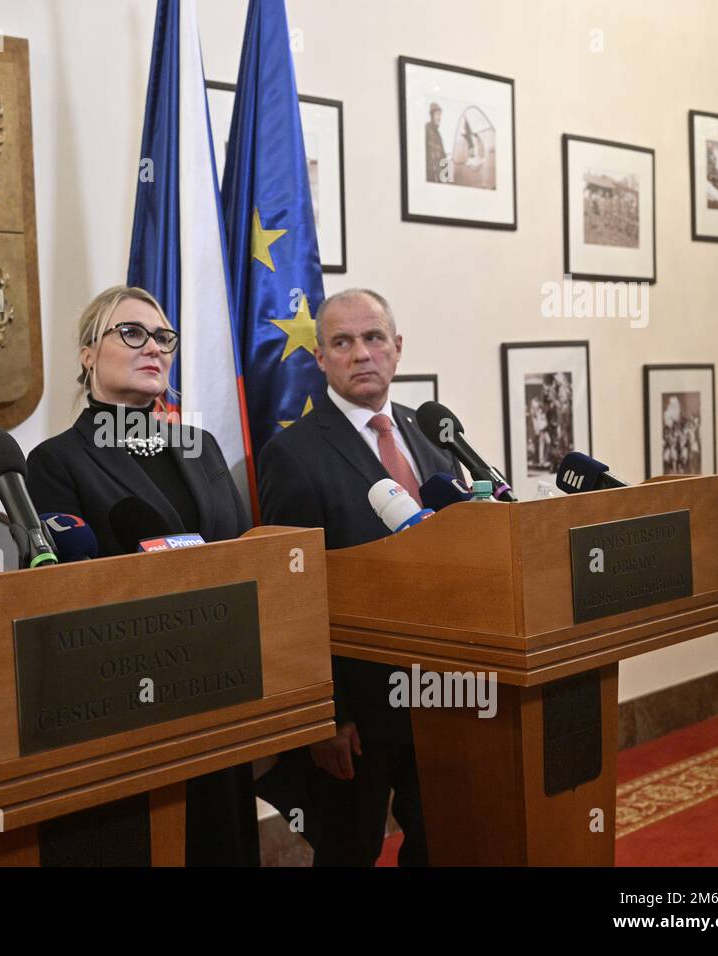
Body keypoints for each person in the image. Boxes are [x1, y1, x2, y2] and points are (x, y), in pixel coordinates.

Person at [25, 285, 258, 866]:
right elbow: (71, 589)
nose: (153, 347)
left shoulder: (198, 445)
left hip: (222, 683)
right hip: (132, 701)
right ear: (87, 353)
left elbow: (239, 554)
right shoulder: (56, 460)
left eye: (163, 337)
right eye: (131, 333)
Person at [257, 288, 461, 867]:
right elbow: (292, 594)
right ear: (320, 359)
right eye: (342, 342)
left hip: (444, 690)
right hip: (358, 710)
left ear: (397, 349)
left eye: (373, 338)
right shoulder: (292, 454)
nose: (361, 353)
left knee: (444, 839)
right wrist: (327, 713)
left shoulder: (431, 434)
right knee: (349, 850)